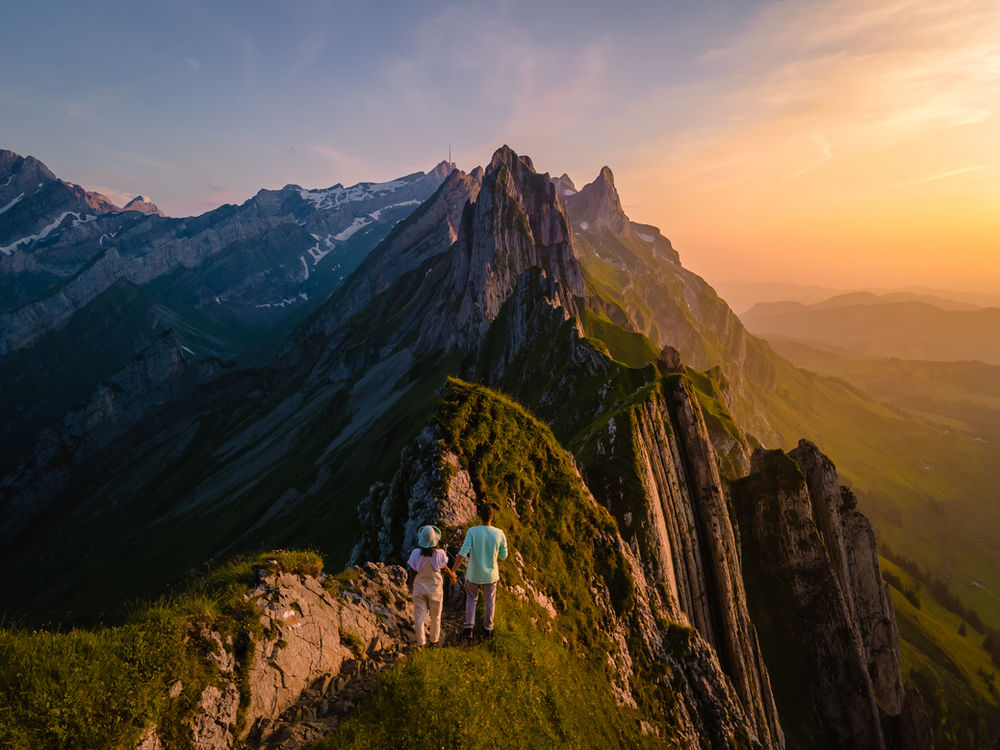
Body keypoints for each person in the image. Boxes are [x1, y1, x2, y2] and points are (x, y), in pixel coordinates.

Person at [451, 503, 508, 641]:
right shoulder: (499, 533)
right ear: (492, 517)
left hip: (473, 574)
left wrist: (452, 570)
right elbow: (503, 556)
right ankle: (488, 629)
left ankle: (469, 628)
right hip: (491, 575)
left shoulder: (472, 531)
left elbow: (462, 553)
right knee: (490, 602)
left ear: (479, 516)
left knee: (471, 599)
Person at [406, 524, 457, 648]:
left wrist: (410, 584)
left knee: (419, 616)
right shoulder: (439, 554)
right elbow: (444, 569)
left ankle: (421, 643)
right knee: (436, 616)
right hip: (435, 589)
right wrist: (452, 576)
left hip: (419, 588)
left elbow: (413, 571)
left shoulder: (415, 554)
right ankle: (434, 641)